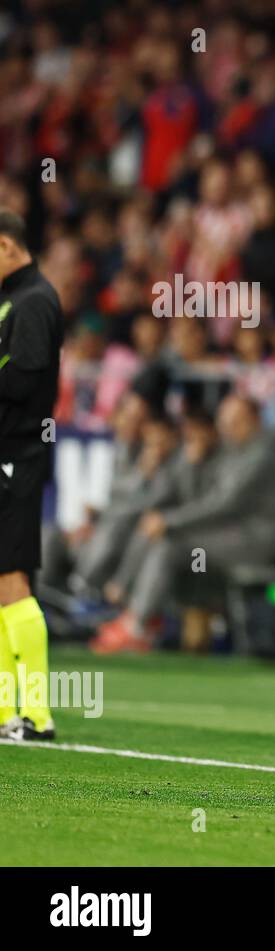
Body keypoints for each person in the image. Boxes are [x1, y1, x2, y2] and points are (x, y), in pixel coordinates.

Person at [91, 395, 275, 652]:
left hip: (258, 539)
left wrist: (169, 521)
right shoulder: (233, 449)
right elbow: (196, 498)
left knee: (171, 544)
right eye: (224, 422)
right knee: (161, 533)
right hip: (232, 532)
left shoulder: (260, 454)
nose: (227, 428)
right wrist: (189, 466)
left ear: (254, 420)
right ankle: (137, 612)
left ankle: (139, 625)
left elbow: (222, 505)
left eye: (235, 421)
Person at [0, 209, 62, 741]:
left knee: (15, 580)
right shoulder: (13, 301)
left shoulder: (34, 301)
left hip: (18, 456)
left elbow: (23, 377)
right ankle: (4, 712)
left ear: (5, 246)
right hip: (6, 454)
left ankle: (38, 715)